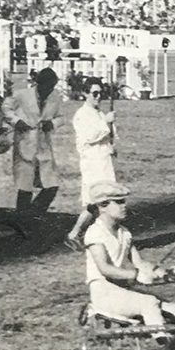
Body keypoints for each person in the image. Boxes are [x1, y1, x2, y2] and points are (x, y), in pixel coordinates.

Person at [80, 181, 175, 350]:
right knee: (149, 302)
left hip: (122, 291)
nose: (124, 206)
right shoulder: (95, 233)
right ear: (103, 206)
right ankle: (166, 344)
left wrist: (166, 273)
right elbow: (104, 268)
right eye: (118, 202)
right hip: (104, 294)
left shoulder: (124, 233)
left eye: (123, 201)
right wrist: (135, 275)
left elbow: (140, 263)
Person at [3, 66, 63, 215]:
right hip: (25, 143)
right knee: (25, 187)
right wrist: (17, 121)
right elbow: (5, 107)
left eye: (52, 87)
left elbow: (61, 117)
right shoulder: (23, 95)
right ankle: (23, 219)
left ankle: (33, 215)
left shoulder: (55, 97)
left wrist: (52, 123)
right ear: (39, 84)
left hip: (43, 145)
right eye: (47, 86)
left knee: (52, 184)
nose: (49, 90)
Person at [65, 83, 116, 250]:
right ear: (85, 94)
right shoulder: (81, 114)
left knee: (101, 201)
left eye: (100, 93)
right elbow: (89, 136)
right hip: (92, 162)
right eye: (94, 93)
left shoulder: (98, 112)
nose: (98, 97)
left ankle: (80, 234)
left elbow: (106, 136)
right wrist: (106, 123)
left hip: (103, 160)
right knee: (98, 201)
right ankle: (79, 234)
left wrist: (111, 145)